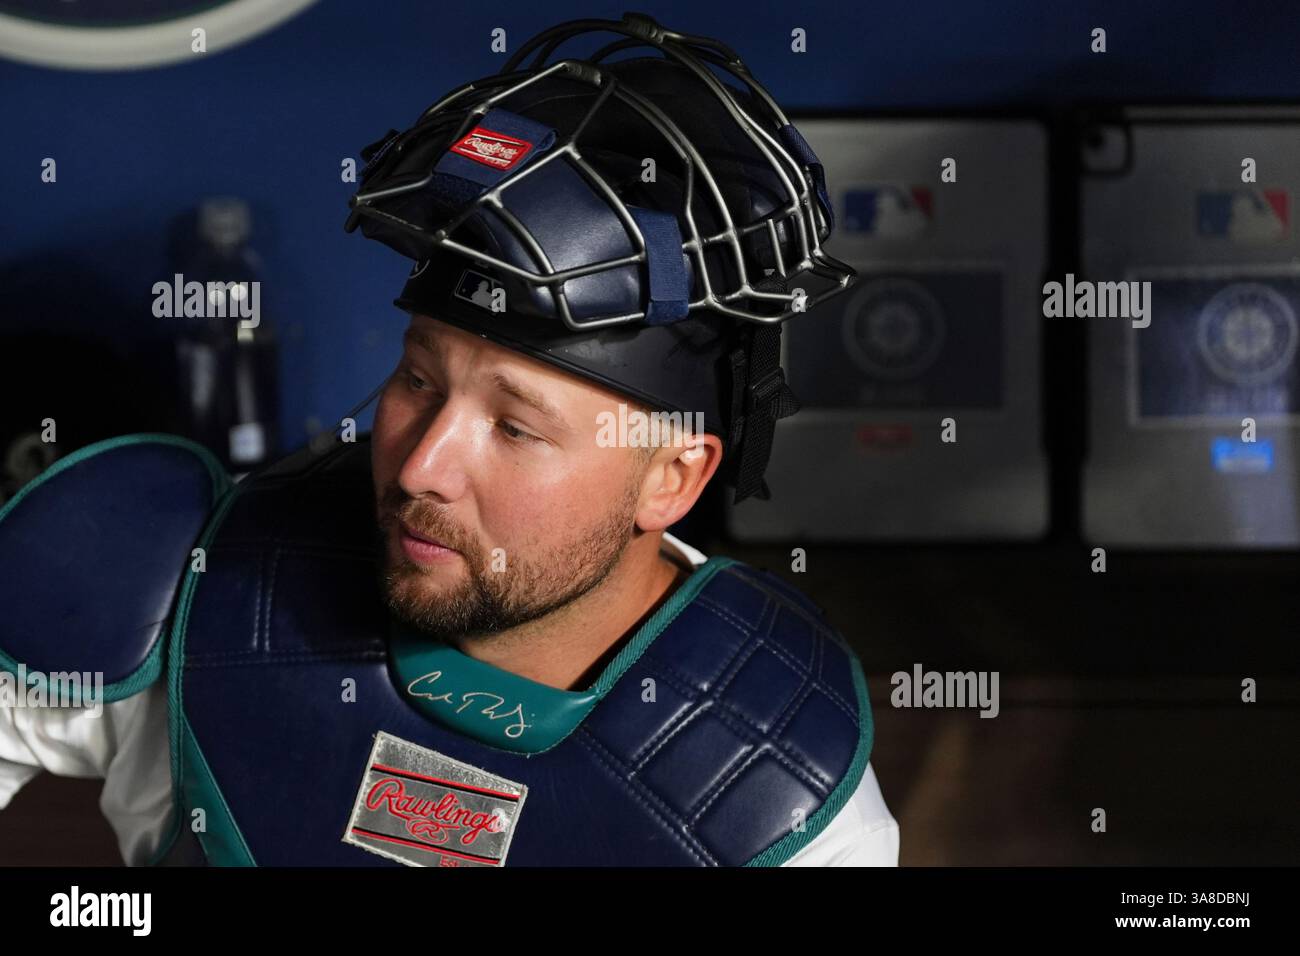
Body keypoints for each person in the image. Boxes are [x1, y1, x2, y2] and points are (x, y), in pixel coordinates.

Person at [0, 12, 898, 867]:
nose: (421, 466)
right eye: (418, 382)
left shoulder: (787, 797)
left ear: (670, 477)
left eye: (514, 427)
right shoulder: (179, 594)